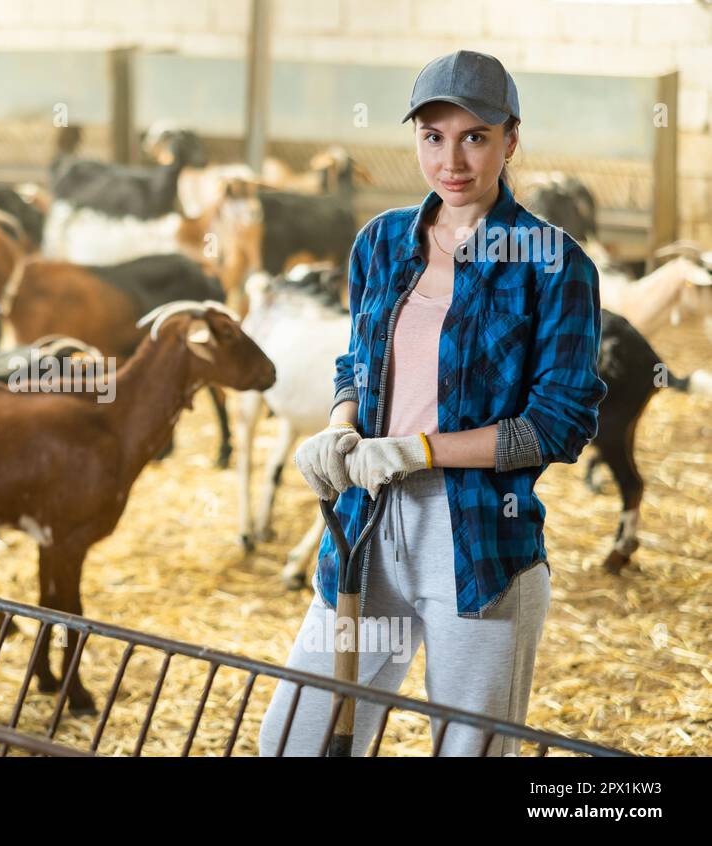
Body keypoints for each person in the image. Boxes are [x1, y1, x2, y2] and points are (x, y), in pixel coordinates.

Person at [257, 50, 607, 757]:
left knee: (468, 752)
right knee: (297, 741)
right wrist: (340, 427)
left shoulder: (556, 263)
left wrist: (419, 450)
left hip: (479, 538)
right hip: (365, 522)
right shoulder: (382, 242)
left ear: (511, 140)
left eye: (475, 136)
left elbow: (559, 423)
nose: (453, 159)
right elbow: (357, 360)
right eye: (433, 136)